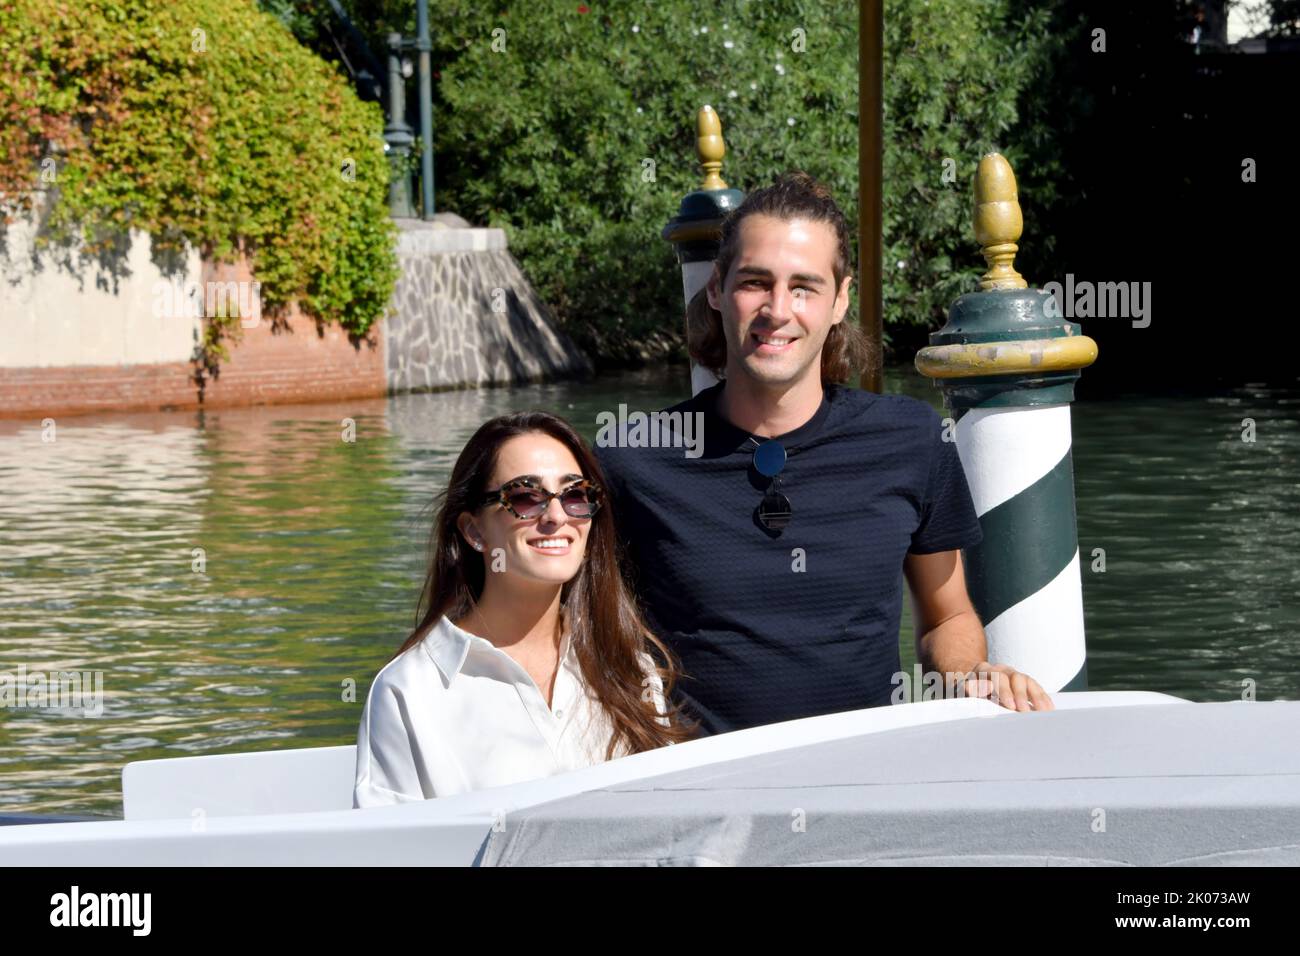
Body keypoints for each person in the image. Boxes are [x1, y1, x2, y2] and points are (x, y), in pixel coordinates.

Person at [596, 171, 1054, 738]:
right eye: (755, 283)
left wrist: (968, 674)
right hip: (703, 785)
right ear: (716, 289)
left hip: (862, 781)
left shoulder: (910, 439)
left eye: (804, 287)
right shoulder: (632, 458)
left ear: (839, 301)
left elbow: (948, 616)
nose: (778, 309)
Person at [354, 412, 690, 807]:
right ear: (473, 531)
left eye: (576, 494)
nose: (556, 516)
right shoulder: (409, 691)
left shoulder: (629, 667)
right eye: (524, 497)